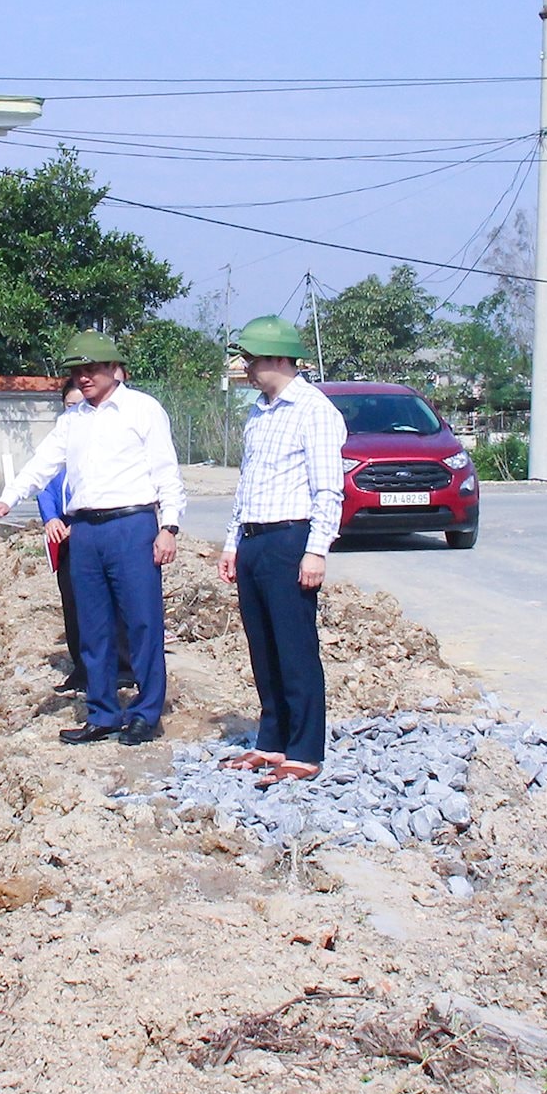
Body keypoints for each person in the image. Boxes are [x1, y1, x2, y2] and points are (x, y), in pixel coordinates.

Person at [0, 332, 185, 746]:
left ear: (113, 370)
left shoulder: (142, 410)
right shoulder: (71, 421)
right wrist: (7, 499)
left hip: (132, 525)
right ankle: (102, 711)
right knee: (93, 626)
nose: (84, 378)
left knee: (142, 622)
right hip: (84, 529)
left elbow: (166, 471)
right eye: (77, 371)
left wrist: (169, 527)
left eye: (91, 369)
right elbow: (43, 464)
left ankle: (145, 712)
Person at [217, 314, 345, 786]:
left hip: (292, 538)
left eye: (249, 358)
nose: (245, 367)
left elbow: (329, 490)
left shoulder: (315, 411)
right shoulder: (259, 412)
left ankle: (306, 748)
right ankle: (271, 739)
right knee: (263, 647)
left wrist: (316, 551)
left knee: (294, 647)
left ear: (275, 357)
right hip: (254, 539)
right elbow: (247, 483)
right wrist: (232, 543)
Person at [34, 378, 130, 698]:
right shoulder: (58, 442)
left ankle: (122, 668)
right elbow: (45, 487)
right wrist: (51, 521)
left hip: (97, 529)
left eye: (80, 405)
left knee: (111, 603)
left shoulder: (105, 441)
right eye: (68, 406)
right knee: (73, 602)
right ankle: (83, 668)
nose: (74, 412)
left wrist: (84, 521)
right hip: (64, 535)